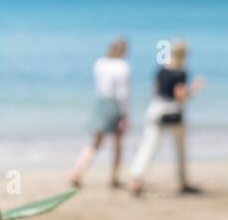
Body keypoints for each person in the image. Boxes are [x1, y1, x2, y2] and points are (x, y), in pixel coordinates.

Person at [129, 39, 205, 196]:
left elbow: (156, 89)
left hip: (156, 108)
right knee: (180, 148)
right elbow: (180, 96)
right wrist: (194, 89)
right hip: (174, 110)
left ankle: (136, 178)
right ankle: (183, 181)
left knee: (149, 145)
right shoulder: (181, 73)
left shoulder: (161, 70)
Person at [67, 37, 130, 189]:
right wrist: (125, 114)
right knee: (118, 143)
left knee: (96, 142)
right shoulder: (122, 66)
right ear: (123, 50)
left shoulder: (100, 63)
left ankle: (77, 171)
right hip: (114, 105)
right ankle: (114, 177)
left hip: (100, 102)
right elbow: (123, 93)